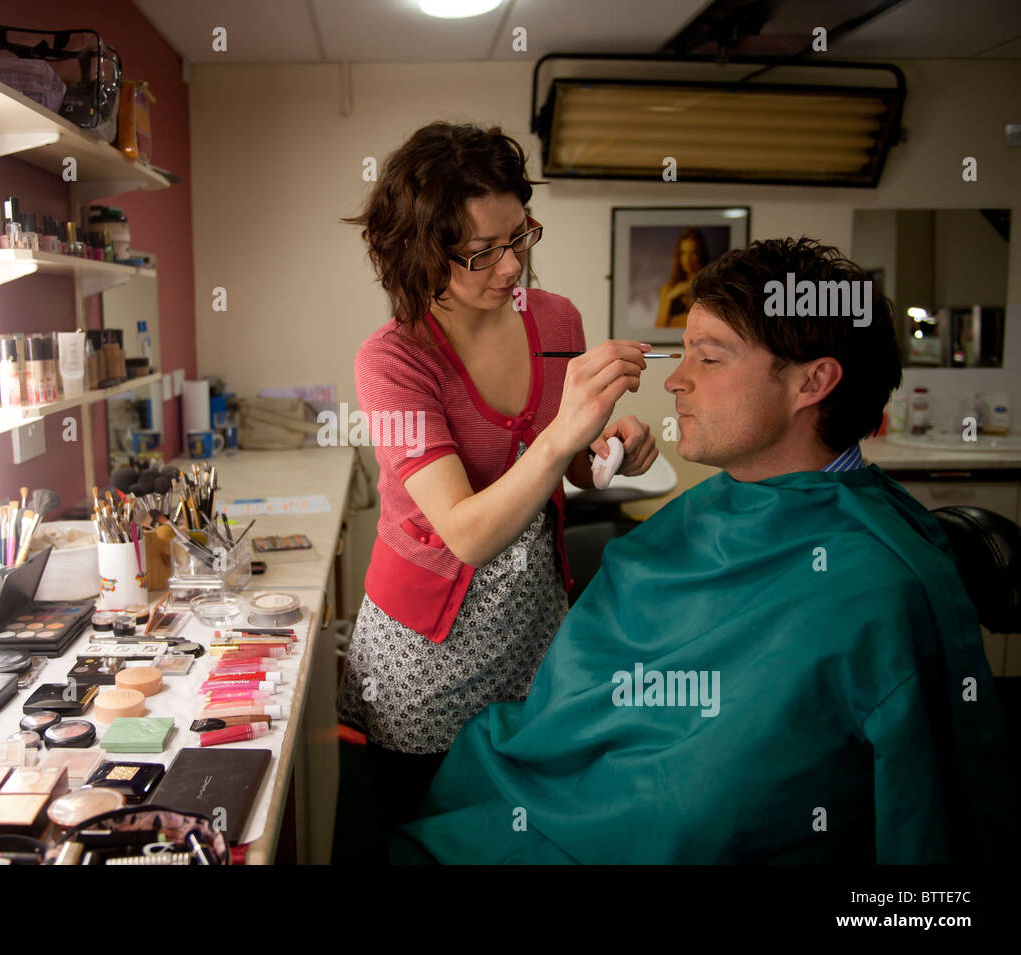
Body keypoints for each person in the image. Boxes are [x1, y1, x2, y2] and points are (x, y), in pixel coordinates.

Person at [395, 237, 1014, 864]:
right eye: (682, 352)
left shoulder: (883, 589)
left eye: (709, 358)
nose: (675, 381)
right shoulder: (714, 508)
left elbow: (925, 830)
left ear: (813, 381)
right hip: (547, 789)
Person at [337, 121, 659, 857]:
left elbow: (571, 468)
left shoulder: (556, 320)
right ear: (420, 252)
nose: (512, 266)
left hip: (533, 622)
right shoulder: (393, 361)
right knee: (420, 832)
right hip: (425, 648)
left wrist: (615, 452)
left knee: (521, 823)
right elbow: (468, 531)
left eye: (521, 236)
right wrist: (563, 432)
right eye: (482, 252)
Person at [655, 227, 709, 328]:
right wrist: (671, 296)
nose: (687, 259)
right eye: (683, 253)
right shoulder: (668, 289)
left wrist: (674, 321)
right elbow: (658, 329)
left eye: (693, 253)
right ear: (678, 256)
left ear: (701, 254)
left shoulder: (711, 289)